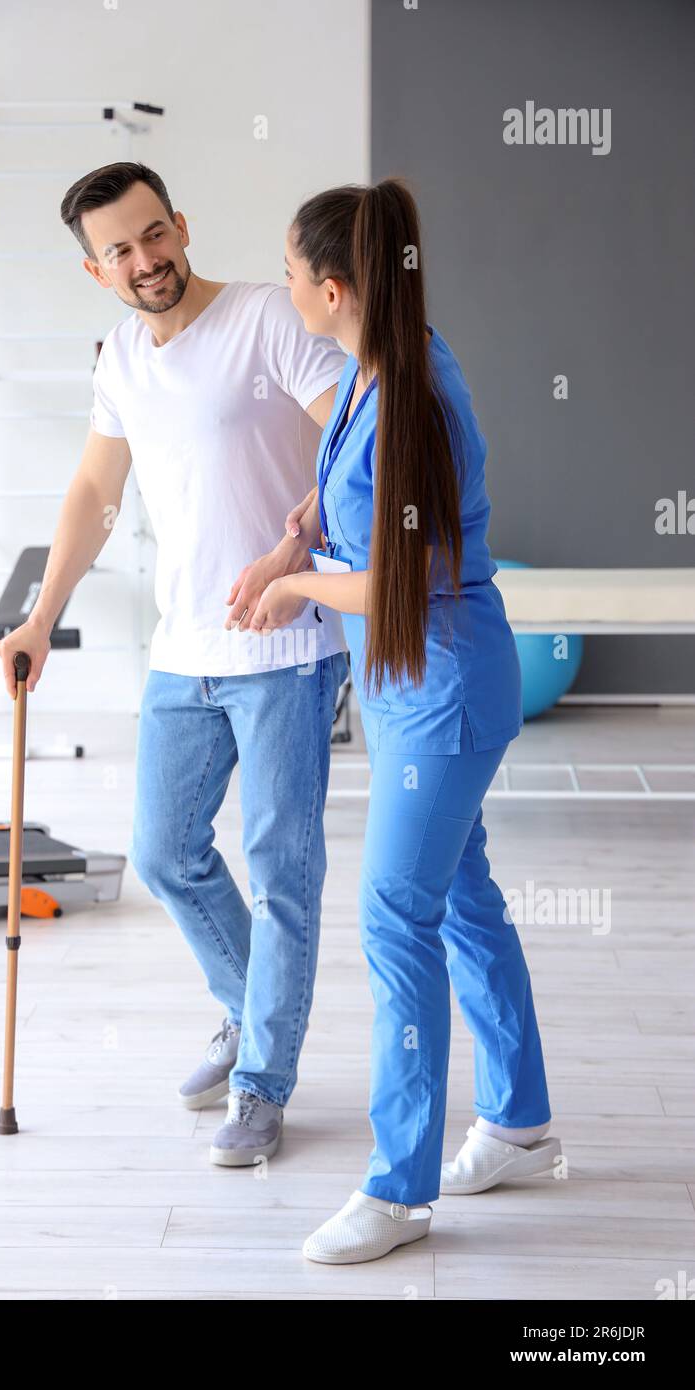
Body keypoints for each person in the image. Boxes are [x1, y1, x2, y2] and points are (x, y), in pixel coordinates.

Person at [0, 162, 350, 1167]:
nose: (146, 260)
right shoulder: (118, 356)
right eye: (121, 250)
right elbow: (93, 497)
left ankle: (262, 1083)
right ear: (94, 269)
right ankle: (249, 1011)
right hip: (182, 648)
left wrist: (295, 551)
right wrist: (37, 620)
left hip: (283, 644)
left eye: (155, 234)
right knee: (164, 852)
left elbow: (352, 450)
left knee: (283, 870)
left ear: (179, 224)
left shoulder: (263, 320)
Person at [243, 178, 559, 1263]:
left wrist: (292, 592)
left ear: (331, 290)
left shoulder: (409, 389)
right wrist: (296, 539)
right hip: (412, 689)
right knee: (460, 899)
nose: (283, 286)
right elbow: (356, 498)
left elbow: (406, 573)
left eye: (289, 272)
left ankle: (397, 1187)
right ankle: (516, 1122)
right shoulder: (388, 359)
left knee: (395, 918)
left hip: (439, 689)